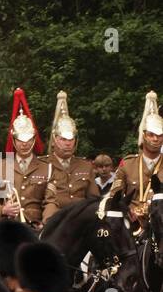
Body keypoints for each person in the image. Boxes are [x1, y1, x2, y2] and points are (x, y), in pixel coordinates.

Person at [0, 87, 47, 226]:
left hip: (38, 227)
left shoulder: (46, 167)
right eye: (20, 140)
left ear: (33, 140)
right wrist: (3, 209)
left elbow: (51, 202)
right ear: (13, 140)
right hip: (9, 226)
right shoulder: (1, 167)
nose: (24, 144)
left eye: (28, 140)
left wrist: (46, 221)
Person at [39, 91, 97, 222]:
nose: (67, 143)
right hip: (53, 221)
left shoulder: (86, 166)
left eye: (71, 139)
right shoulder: (43, 165)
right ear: (54, 140)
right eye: (63, 139)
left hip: (81, 221)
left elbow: (94, 200)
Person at [110, 90, 163, 228]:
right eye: (151, 135)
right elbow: (114, 196)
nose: (155, 139)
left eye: (159, 135)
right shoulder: (128, 164)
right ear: (143, 135)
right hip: (131, 225)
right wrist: (126, 210)